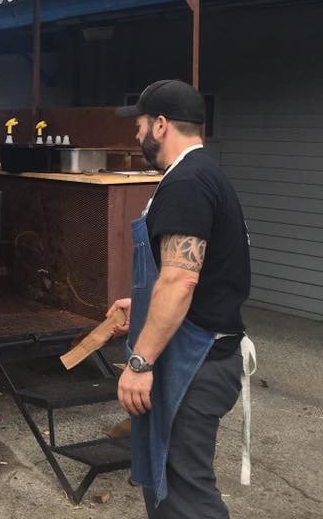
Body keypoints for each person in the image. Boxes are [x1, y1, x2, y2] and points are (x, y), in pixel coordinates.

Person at [107, 79, 252, 519]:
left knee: (186, 496)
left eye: (140, 126)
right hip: (198, 351)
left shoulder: (186, 182)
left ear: (161, 125)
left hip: (196, 363)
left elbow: (179, 283)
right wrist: (145, 308)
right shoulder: (201, 173)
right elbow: (194, 276)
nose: (136, 135)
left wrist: (139, 363)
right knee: (167, 487)